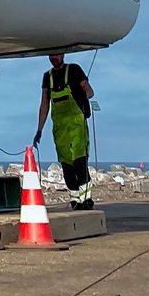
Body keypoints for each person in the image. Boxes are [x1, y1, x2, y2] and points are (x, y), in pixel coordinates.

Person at [33, 53, 96, 210]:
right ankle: (75, 200)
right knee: (67, 167)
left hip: (77, 126)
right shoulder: (48, 77)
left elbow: (90, 92)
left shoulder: (74, 70)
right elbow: (44, 105)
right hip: (60, 129)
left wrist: (84, 95)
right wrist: (39, 130)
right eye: (51, 56)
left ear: (63, 55)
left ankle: (87, 199)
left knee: (80, 163)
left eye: (57, 55)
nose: (54, 58)